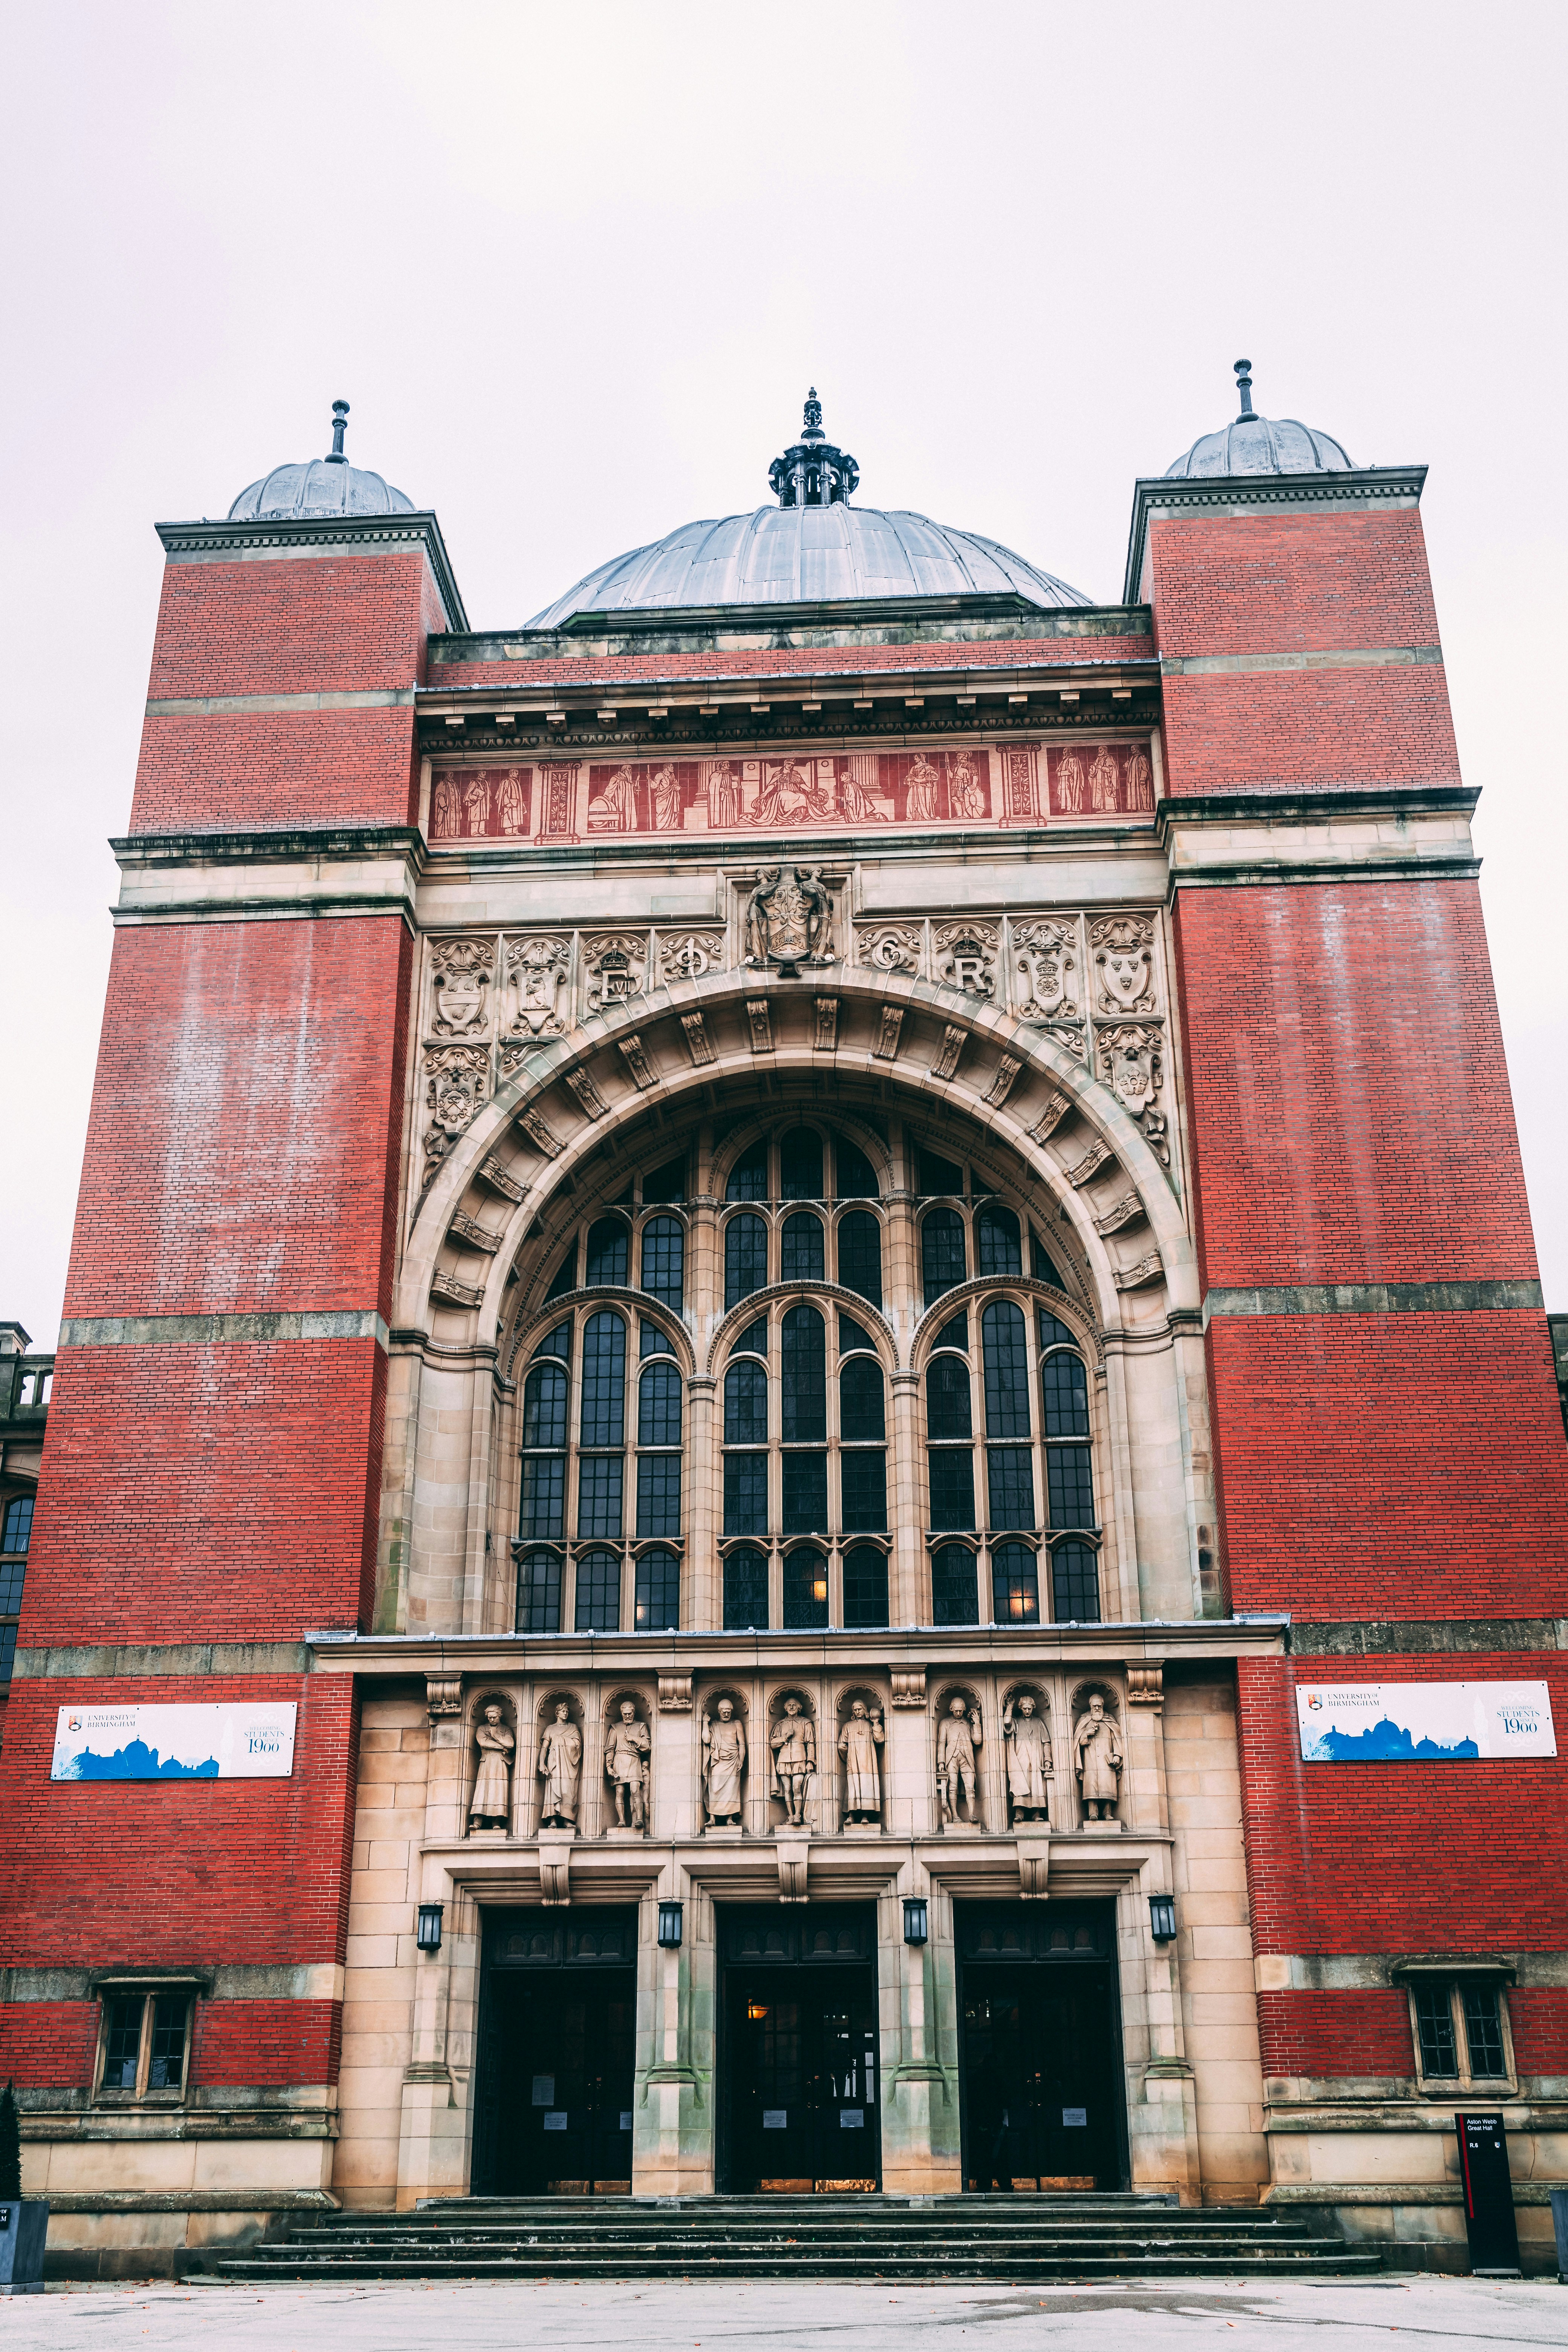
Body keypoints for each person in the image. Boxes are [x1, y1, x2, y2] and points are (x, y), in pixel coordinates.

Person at [1073, 1692, 1123, 1822]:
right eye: (1094, 1706)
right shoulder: (1084, 1720)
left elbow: (1116, 1738)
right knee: (1091, 1786)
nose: (1097, 1708)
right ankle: (1093, 1813)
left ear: (1103, 1706)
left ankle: (1108, 1813)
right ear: (1090, 1706)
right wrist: (1086, 1734)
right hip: (1090, 1760)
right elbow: (1077, 1742)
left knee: (1107, 1786)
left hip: (1106, 1760)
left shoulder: (1109, 1720)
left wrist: (1118, 1755)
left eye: (1099, 1706)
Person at [1003, 1694, 1052, 1824]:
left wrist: (1047, 1759)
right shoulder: (1016, 1721)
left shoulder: (1039, 1722)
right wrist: (1010, 1706)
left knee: (1037, 1787)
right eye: (1025, 1709)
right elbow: (1007, 1723)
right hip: (1021, 1759)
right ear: (1021, 1708)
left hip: (1036, 1759)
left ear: (1033, 1708)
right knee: (1020, 1786)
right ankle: (1020, 1813)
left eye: (1030, 1709)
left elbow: (1046, 1742)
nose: (1027, 1711)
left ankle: (1037, 1814)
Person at [604, 1698, 651, 1831]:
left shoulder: (641, 1726)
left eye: (630, 1713)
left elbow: (648, 1746)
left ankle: (639, 1819)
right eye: (625, 1714)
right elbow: (610, 1749)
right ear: (622, 1714)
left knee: (635, 1790)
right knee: (620, 1791)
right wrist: (609, 1766)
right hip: (619, 1760)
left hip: (634, 1760)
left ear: (634, 1713)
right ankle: (622, 1820)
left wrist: (634, 1739)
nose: (627, 1716)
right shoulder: (615, 1727)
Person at [770, 1695, 816, 1827]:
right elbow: (773, 1744)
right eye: (789, 1705)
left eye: (794, 1705)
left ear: (799, 1708)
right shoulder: (780, 1725)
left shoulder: (806, 1723)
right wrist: (785, 1737)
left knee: (797, 1788)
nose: (791, 1707)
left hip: (800, 1759)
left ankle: (798, 1815)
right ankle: (791, 1815)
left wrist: (810, 1761)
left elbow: (811, 1743)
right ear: (785, 1708)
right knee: (787, 1789)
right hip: (784, 1760)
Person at [468, 1701, 514, 1832]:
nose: (492, 1720)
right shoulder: (482, 1728)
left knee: (498, 1792)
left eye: (495, 1717)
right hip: (487, 1762)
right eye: (490, 1718)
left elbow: (511, 1743)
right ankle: (478, 1821)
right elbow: (483, 1743)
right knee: (482, 1791)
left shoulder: (506, 1729)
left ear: (500, 1716)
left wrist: (495, 1736)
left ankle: (496, 1822)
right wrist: (502, 1747)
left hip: (500, 1763)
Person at [937, 1695, 983, 1825]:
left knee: (970, 1787)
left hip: (967, 1758)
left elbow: (978, 1741)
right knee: (953, 1787)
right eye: (956, 1711)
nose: (958, 1713)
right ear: (952, 1709)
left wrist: (977, 1723)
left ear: (964, 1710)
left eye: (961, 1711)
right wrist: (941, 1762)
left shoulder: (968, 1723)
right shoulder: (945, 1723)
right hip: (951, 1759)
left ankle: (971, 1814)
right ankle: (955, 1816)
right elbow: (941, 1743)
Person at [838, 1699, 884, 1824]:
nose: (858, 1712)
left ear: (865, 1710)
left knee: (867, 1785)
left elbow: (880, 1739)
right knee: (853, 1787)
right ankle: (851, 1815)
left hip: (868, 1761)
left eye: (860, 1709)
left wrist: (876, 1723)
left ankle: (866, 1816)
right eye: (855, 1710)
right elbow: (842, 1745)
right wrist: (848, 1757)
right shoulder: (848, 1726)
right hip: (853, 1761)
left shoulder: (870, 1725)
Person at [702, 1697, 747, 1827]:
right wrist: (705, 1723)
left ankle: (730, 1818)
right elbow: (706, 1740)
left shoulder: (737, 1724)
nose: (727, 1714)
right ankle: (712, 1818)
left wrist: (741, 1760)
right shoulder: (714, 1725)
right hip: (718, 1760)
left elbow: (742, 1744)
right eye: (724, 1712)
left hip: (733, 1760)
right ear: (719, 1711)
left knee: (731, 1789)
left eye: (729, 1712)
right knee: (715, 1787)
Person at [537, 1700, 582, 1827]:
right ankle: (553, 1820)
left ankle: (567, 1820)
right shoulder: (550, 1729)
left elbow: (577, 1745)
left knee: (567, 1791)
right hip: (554, 1763)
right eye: (563, 1711)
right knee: (553, 1790)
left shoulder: (573, 1727)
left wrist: (560, 1740)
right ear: (557, 1713)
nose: (566, 1713)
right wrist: (542, 1764)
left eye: (567, 1711)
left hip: (569, 1763)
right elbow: (545, 1748)